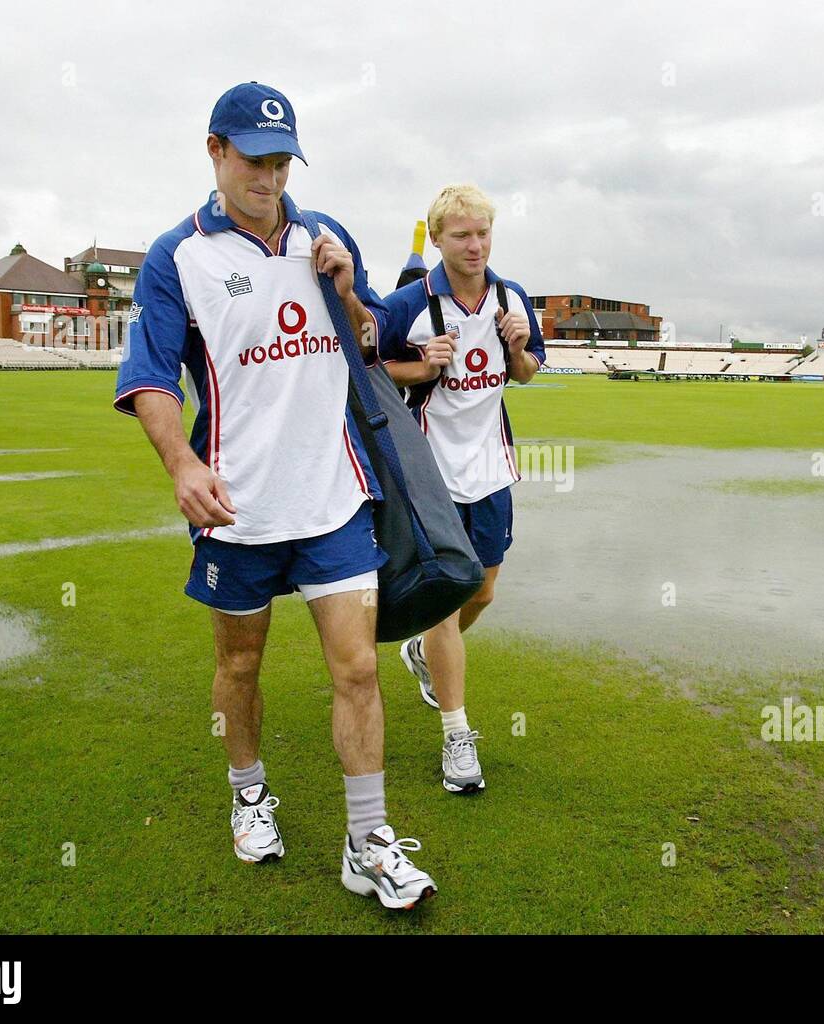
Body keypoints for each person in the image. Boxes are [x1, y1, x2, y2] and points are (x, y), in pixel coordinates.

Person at [113, 81, 436, 910]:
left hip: (333, 495)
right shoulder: (173, 256)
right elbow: (150, 376)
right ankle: (249, 792)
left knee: (359, 669)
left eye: (282, 160)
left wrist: (349, 290)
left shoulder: (326, 234)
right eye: (254, 159)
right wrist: (182, 465)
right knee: (241, 662)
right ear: (215, 152)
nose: (270, 177)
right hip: (237, 503)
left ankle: (368, 845)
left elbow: (370, 343)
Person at [377, 183, 545, 793]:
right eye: (461, 235)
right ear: (439, 239)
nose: (475, 245)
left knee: (482, 593)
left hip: (491, 470)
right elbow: (361, 360)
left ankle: (421, 655)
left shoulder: (511, 296)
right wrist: (420, 366)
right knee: (447, 598)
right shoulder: (407, 304)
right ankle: (457, 737)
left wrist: (520, 348)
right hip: (429, 477)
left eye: (482, 233)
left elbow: (525, 375)